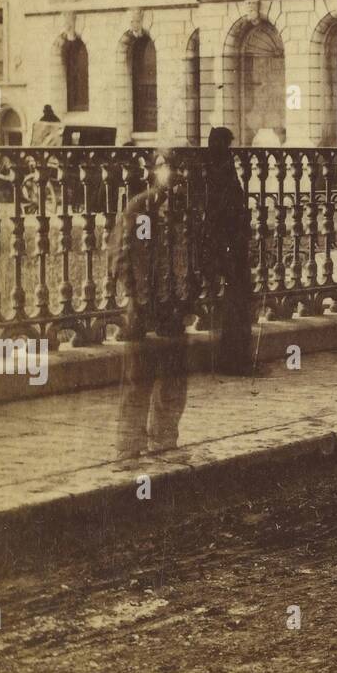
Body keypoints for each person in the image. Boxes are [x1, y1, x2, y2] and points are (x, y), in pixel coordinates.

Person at [109, 156, 191, 462]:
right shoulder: (139, 209)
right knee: (138, 380)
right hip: (143, 308)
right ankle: (128, 447)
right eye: (170, 168)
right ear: (156, 172)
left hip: (173, 308)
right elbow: (120, 256)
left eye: (181, 170)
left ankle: (165, 440)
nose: (177, 176)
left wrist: (187, 298)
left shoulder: (187, 211)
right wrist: (136, 298)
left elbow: (193, 256)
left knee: (174, 377)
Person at [199, 127, 254, 375]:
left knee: (234, 300)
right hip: (230, 242)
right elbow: (229, 206)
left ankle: (233, 359)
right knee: (237, 300)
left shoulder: (214, 167)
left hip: (226, 241)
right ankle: (235, 360)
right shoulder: (221, 169)